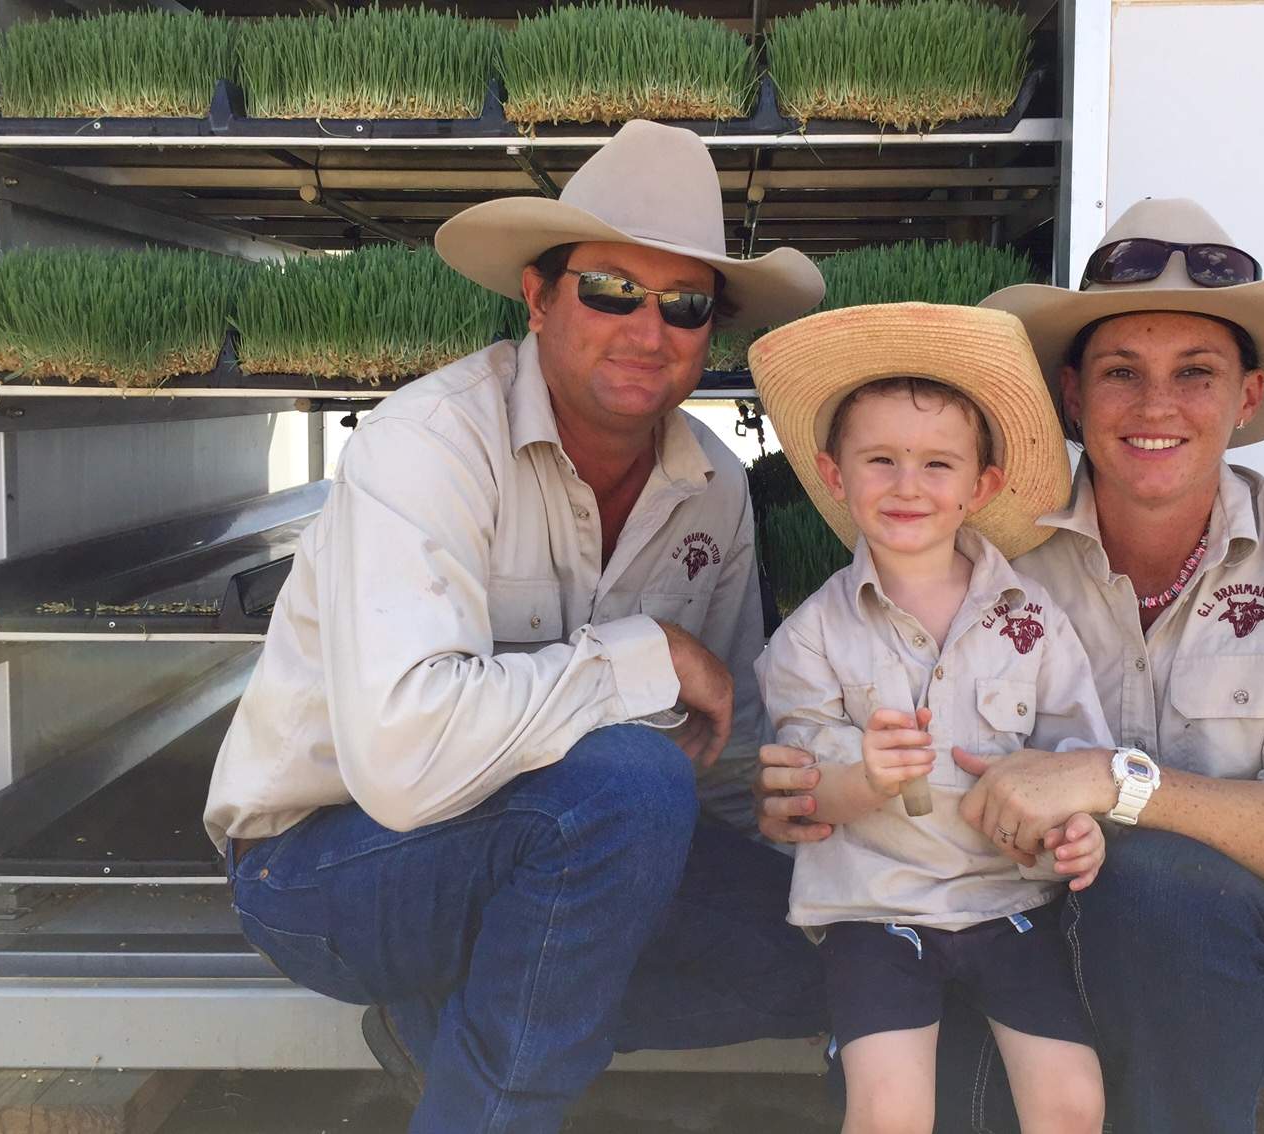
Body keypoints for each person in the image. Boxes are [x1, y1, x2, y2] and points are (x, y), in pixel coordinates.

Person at [203, 120, 829, 1134]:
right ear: (536, 299)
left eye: (683, 306)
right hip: (327, 865)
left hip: (562, 857)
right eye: (610, 290)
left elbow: (722, 741)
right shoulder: (428, 446)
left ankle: (449, 1034)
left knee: (824, 950)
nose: (646, 328)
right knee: (625, 780)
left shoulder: (710, 484)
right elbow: (405, 766)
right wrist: (645, 658)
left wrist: (816, 823)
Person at [755, 199, 1264, 1132]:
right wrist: (812, 787)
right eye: (1120, 372)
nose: (1155, 405)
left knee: (1155, 894)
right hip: (1023, 929)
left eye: (1196, 372)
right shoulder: (983, 557)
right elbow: (846, 750)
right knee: (931, 1086)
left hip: (1259, 957)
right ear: (1072, 394)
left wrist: (1112, 782)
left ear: (1247, 396)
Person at [749, 303, 1114, 1134]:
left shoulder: (1033, 617)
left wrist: (1080, 828)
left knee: (1071, 1099)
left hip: (1011, 901)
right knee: (887, 1110)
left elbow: (1075, 758)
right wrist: (865, 777)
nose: (907, 485)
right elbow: (804, 800)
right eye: (879, 459)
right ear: (834, 475)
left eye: (937, 464)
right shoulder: (810, 636)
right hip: (875, 908)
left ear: (980, 487)